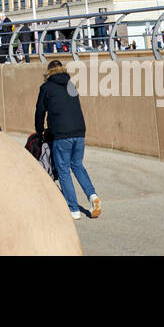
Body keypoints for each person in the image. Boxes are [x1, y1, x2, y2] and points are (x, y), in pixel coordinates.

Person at [35, 61, 100, 220]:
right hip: (79, 131)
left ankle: (73, 209)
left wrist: (39, 130)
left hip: (62, 134)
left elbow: (40, 111)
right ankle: (92, 196)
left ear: (48, 72)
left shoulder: (46, 87)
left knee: (63, 169)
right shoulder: (70, 85)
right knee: (77, 165)